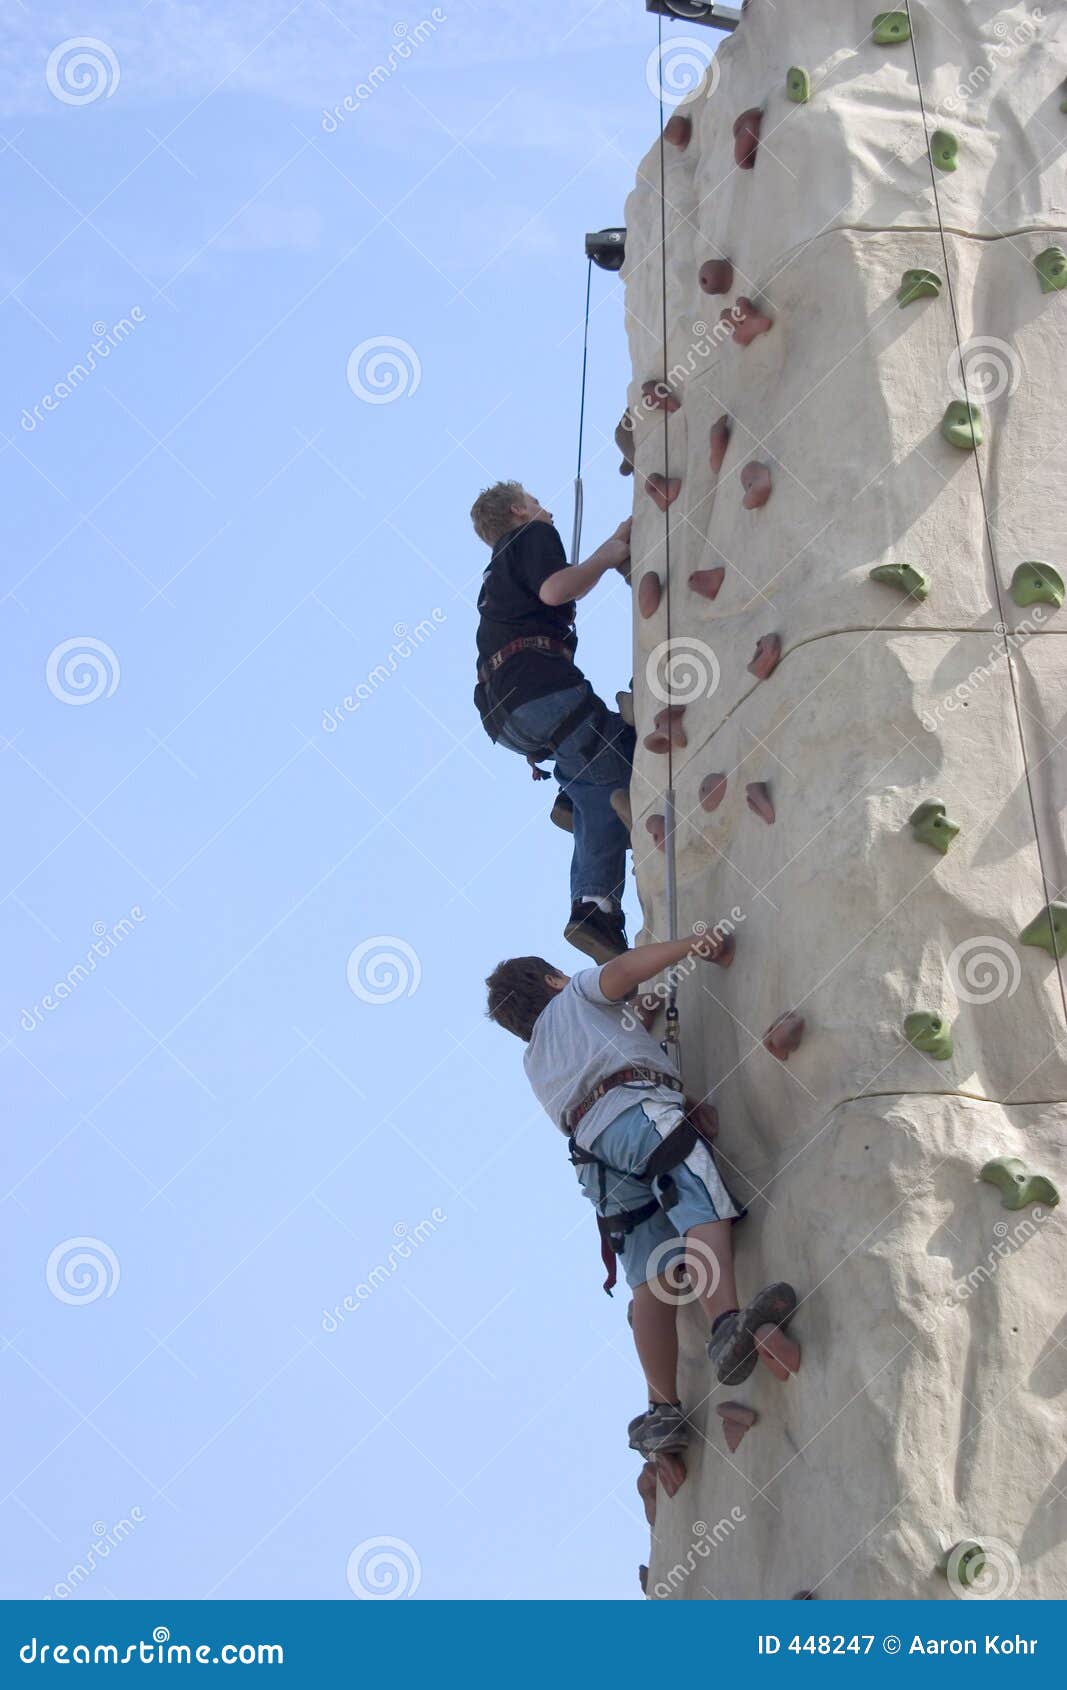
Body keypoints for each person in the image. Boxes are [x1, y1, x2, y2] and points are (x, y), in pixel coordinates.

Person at [485, 929, 801, 1469]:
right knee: (695, 1192)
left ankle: (662, 1410)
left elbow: (608, 1040)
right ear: (553, 980)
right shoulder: (577, 995)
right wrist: (693, 945)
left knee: (650, 1274)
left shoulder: (536, 1057)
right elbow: (625, 972)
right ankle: (726, 1323)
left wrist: (640, 1019)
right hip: (635, 1114)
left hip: (597, 1159)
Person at [471, 480, 634, 961]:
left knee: (598, 757)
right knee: (614, 778)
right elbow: (556, 589)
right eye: (539, 503)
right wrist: (606, 558)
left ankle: (571, 795)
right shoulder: (532, 536)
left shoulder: (496, 571)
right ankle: (595, 907)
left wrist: (613, 543)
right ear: (520, 510)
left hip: (507, 712)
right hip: (542, 689)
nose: (549, 511)